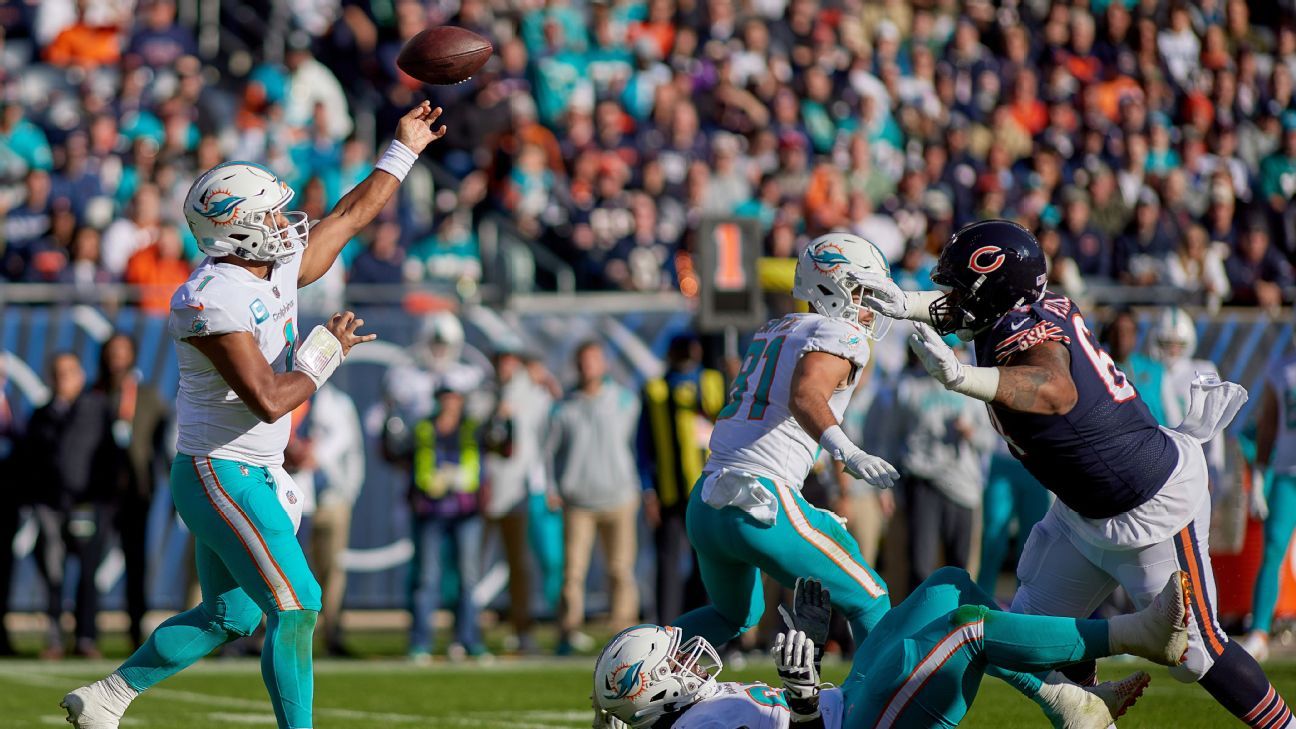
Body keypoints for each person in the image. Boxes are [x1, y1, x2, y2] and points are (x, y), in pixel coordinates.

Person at [61, 101, 447, 729]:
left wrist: (402, 150)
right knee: (297, 607)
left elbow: (348, 217)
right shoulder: (208, 298)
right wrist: (325, 353)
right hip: (223, 471)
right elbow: (267, 396)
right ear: (233, 228)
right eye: (268, 214)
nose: (283, 221)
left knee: (232, 614)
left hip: (249, 470)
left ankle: (109, 696)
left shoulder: (266, 268)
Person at [858, 218, 1292, 728]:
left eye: (957, 288)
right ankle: (1091, 710)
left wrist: (961, 377)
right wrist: (900, 302)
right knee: (1025, 640)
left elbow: (1054, 389)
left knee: (1198, 655)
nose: (947, 300)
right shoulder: (1015, 311)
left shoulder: (1024, 330)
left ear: (993, 291)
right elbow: (966, 308)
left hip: (1150, 503)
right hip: (1083, 512)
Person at [672, 233, 900, 650]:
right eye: (863, 291)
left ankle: (622, 671)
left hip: (706, 502)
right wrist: (846, 451)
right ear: (834, 287)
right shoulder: (842, 335)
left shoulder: (773, 330)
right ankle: (873, 713)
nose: (870, 305)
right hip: (760, 505)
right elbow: (804, 394)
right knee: (872, 600)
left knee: (734, 615)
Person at [593, 574, 1190, 729]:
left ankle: (1065, 701)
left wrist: (811, 692)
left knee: (946, 586)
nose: (689, 660)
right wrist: (802, 703)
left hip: (846, 705)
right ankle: (1135, 636)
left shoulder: (690, 712)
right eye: (673, 663)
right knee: (968, 628)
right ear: (651, 690)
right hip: (854, 723)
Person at [551, 341, 642, 654]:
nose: (589, 366)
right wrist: (554, 487)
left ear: (603, 364)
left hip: (619, 497)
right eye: (583, 360)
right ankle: (567, 632)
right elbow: (549, 453)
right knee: (572, 573)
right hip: (579, 502)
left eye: (594, 359)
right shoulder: (564, 407)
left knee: (620, 571)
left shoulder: (625, 401)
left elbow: (639, 446)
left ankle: (624, 638)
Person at [888, 343, 996, 591]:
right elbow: (894, 439)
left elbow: (989, 441)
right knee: (920, 566)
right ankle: (922, 626)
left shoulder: (973, 385)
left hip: (963, 486)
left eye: (956, 349)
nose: (951, 355)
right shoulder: (909, 386)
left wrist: (971, 433)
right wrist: (891, 488)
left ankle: (954, 626)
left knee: (959, 569)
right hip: (924, 481)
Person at [27, 352, 111, 659]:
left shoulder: (96, 409)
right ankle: (54, 638)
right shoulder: (43, 414)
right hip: (51, 505)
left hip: (87, 504)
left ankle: (86, 637)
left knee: (88, 574)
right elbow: (33, 459)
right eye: (58, 374)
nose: (64, 380)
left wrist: (103, 497)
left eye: (70, 373)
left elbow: (108, 456)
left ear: (81, 375)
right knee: (53, 574)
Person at [638, 333, 725, 626]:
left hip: (710, 491)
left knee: (709, 566)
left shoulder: (713, 382)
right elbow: (643, 446)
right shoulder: (656, 389)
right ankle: (666, 628)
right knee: (669, 565)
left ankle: (705, 627)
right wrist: (648, 490)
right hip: (670, 493)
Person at [93, 334, 169, 650]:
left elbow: (163, 442)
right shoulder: (94, 395)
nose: (116, 359)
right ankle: (87, 633)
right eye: (112, 353)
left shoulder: (147, 396)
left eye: (122, 353)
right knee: (90, 564)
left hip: (137, 493)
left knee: (136, 563)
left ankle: (136, 632)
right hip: (99, 493)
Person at [403, 387, 487, 662]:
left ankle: (468, 639)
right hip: (432, 510)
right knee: (427, 577)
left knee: (468, 577)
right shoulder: (424, 427)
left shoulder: (472, 428)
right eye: (446, 398)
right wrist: (431, 484)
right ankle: (421, 642)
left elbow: (496, 451)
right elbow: (408, 459)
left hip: (466, 511)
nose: (451, 404)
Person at [1240, 330, 1296, 663]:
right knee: (1273, 548)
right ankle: (1259, 631)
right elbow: (1269, 423)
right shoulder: (1281, 366)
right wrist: (1260, 472)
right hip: (1288, 473)